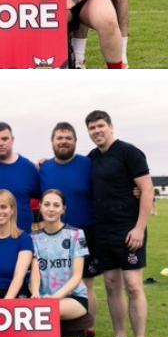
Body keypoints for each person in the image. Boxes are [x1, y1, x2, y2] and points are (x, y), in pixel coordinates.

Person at [85, 109, 152, 337]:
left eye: (100, 126)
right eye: (91, 128)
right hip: (102, 231)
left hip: (129, 230)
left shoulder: (129, 153)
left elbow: (146, 188)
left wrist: (139, 228)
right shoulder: (91, 158)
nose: (97, 131)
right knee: (112, 284)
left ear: (110, 126)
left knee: (133, 285)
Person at [40, 122, 98, 314]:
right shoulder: (44, 168)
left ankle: (88, 333)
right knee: (51, 282)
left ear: (75, 141)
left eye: (68, 138)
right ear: (52, 141)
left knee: (86, 284)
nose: (63, 142)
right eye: (59, 138)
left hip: (85, 233)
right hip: (52, 236)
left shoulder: (88, 164)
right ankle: (58, 333)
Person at [30, 190, 91, 320]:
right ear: (40, 207)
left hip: (73, 298)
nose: (51, 209)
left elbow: (77, 276)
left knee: (48, 312)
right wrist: (35, 292)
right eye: (47, 204)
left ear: (63, 209)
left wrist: (54, 298)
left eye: (56, 205)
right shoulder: (34, 238)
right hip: (44, 298)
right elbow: (35, 272)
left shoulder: (76, 234)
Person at [0, 122, 41, 233]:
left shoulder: (29, 169)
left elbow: (45, 200)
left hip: (20, 242)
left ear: (12, 140)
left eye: (5, 139)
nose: (1, 143)